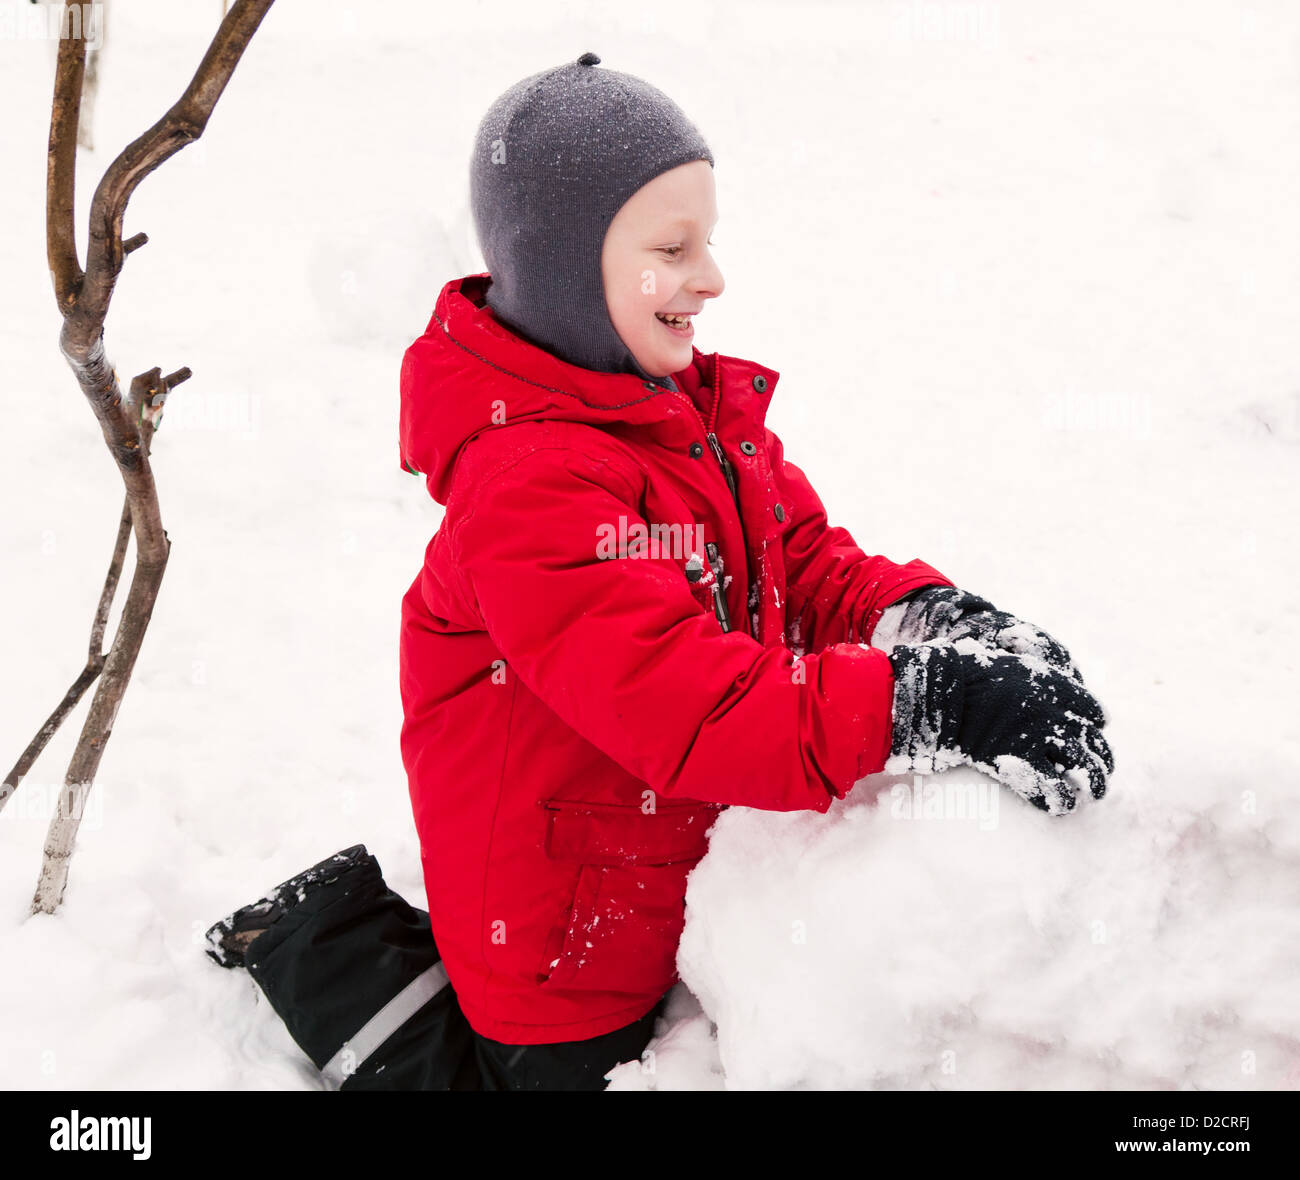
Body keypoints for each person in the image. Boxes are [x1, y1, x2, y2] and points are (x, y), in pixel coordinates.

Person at [205, 52, 1113, 1091]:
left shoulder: (685, 420)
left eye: (708, 242)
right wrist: (928, 704)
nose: (711, 277)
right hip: (563, 955)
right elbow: (696, 707)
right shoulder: (530, 490)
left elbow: (806, 566)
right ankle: (319, 945)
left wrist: (928, 617)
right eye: (672, 248)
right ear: (565, 267)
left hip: (666, 884)